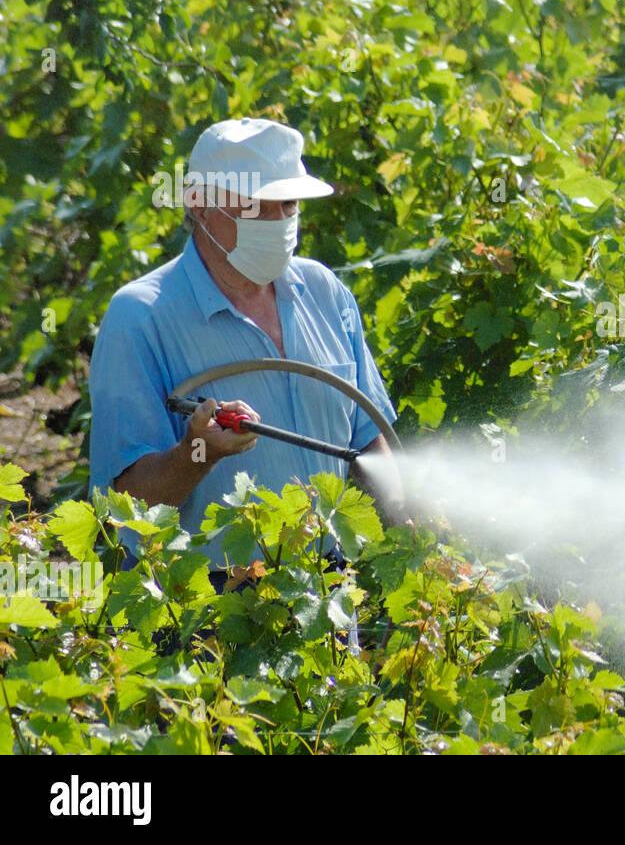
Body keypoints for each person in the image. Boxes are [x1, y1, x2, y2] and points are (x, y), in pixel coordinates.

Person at [88, 117, 403, 584]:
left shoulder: (323, 291)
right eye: (257, 207)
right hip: (206, 597)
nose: (278, 223)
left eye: (289, 205)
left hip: (325, 584)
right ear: (199, 204)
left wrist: (402, 520)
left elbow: (367, 438)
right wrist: (199, 453)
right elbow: (130, 500)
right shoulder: (140, 317)